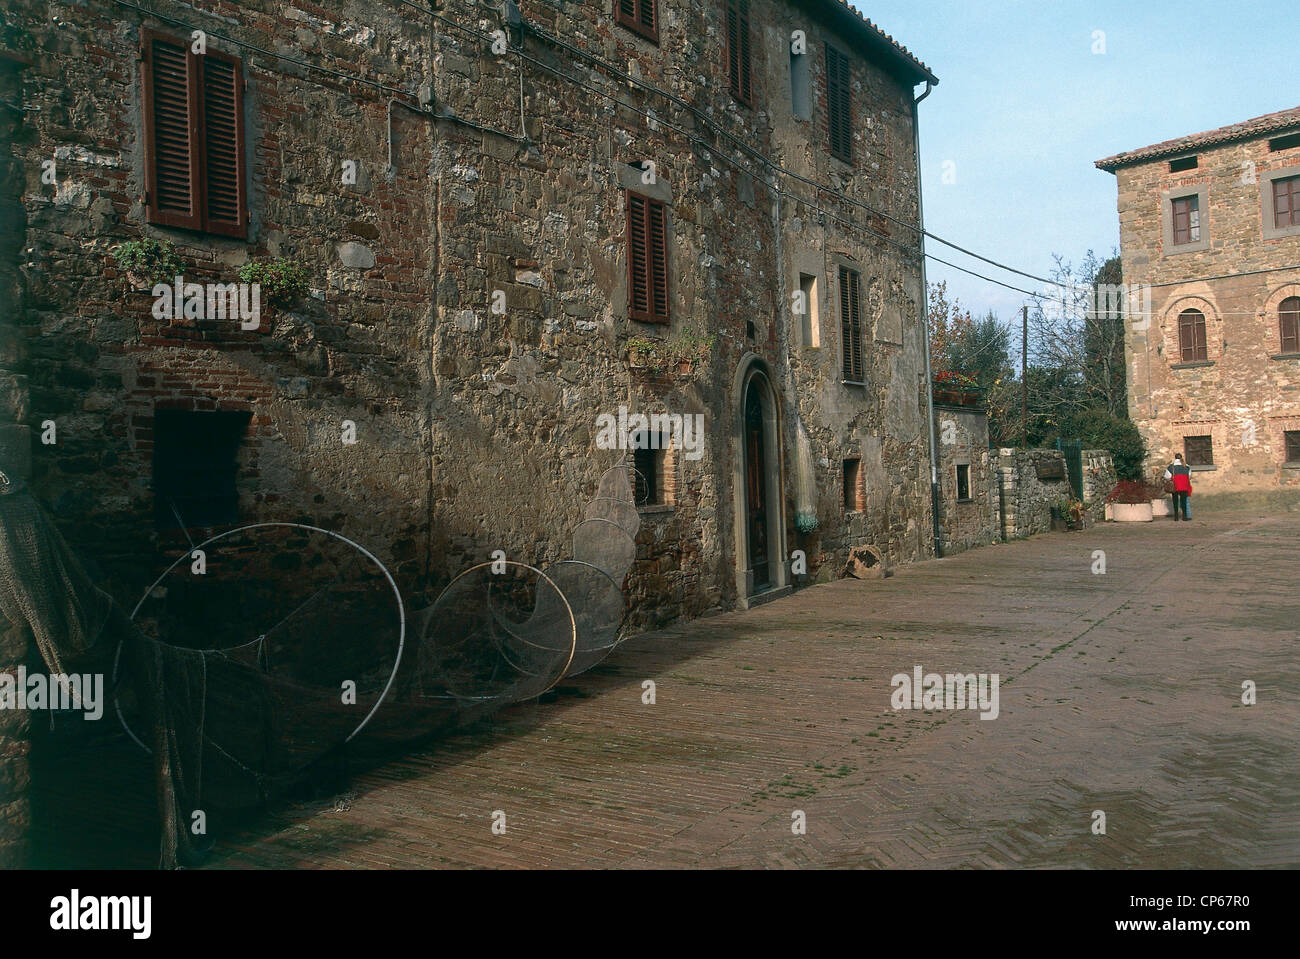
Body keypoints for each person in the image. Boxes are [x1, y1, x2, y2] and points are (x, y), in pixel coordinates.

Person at [1164, 454, 1192, 521]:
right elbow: (1190, 476)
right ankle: (1184, 516)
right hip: (1184, 486)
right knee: (1184, 501)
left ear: (1175, 458)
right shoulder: (1187, 466)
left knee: (1175, 501)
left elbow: (1167, 476)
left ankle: (1176, 516)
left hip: (1175, 486)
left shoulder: (1171, 467)